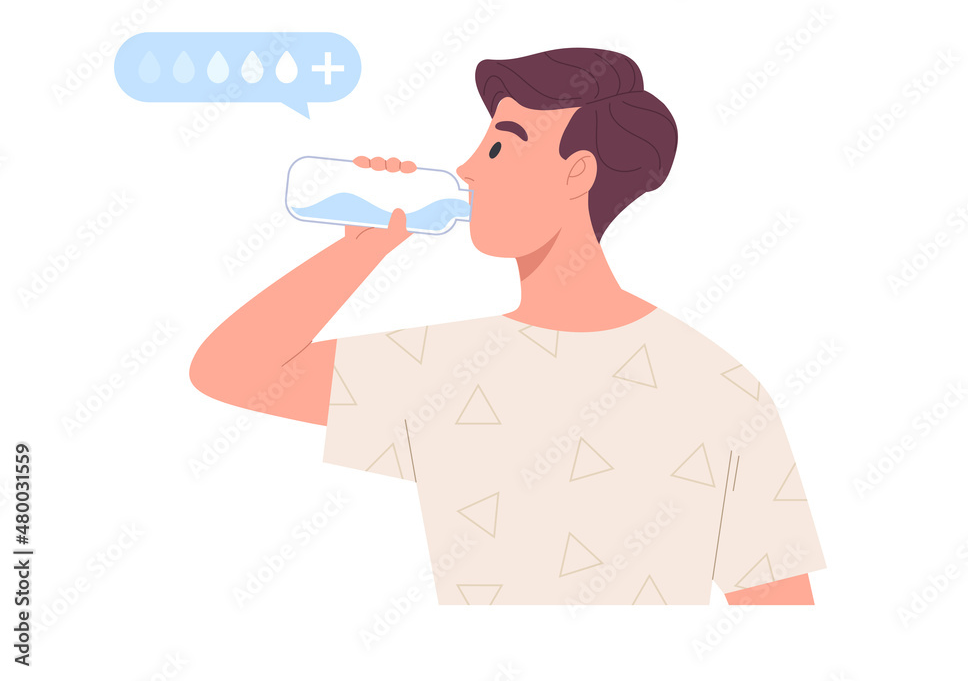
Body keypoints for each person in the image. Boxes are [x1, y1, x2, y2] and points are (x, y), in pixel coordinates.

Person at [190, 48, 826, 606]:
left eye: (499, 145)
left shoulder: (718, 392)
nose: (468, 169)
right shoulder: (447, 372)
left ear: (578, 172)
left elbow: (776, 613)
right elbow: (232, 372)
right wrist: (361, 248)